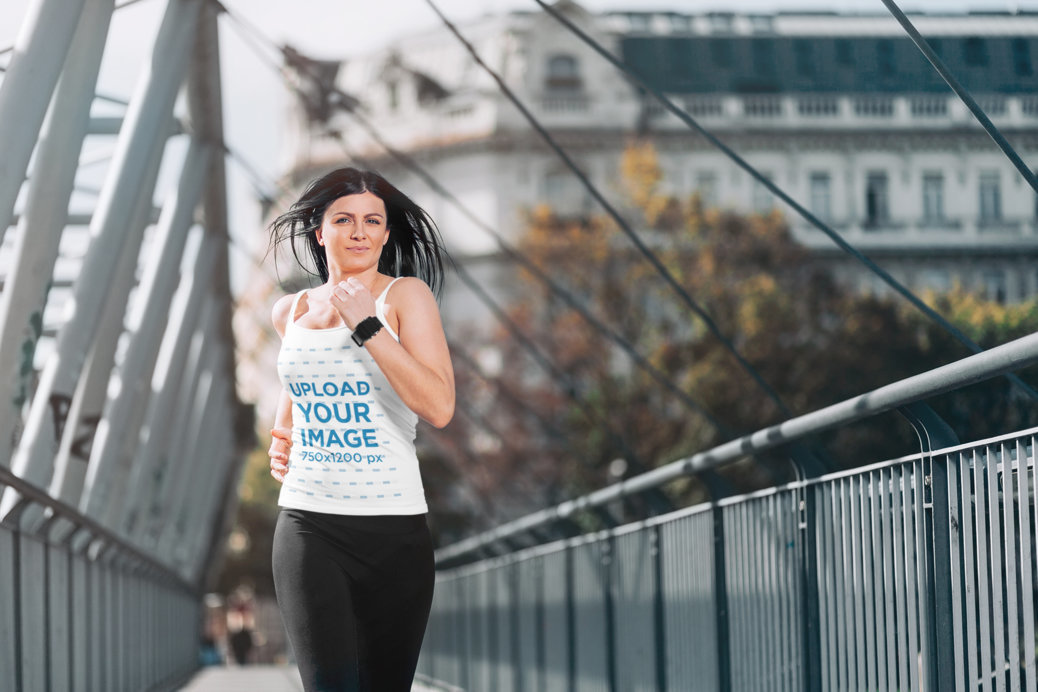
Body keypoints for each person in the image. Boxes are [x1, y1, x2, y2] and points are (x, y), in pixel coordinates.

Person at [266, 167, 454, 692]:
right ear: (319, 230)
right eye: (344, 219)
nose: (359, 232)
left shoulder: (405, 297)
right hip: (310, 525)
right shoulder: (291, 311)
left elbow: (438, 405)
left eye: (373, 221)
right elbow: (297, 385)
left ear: (387, 232)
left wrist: (366, 324)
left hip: (394, 528)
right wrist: (282, 438)